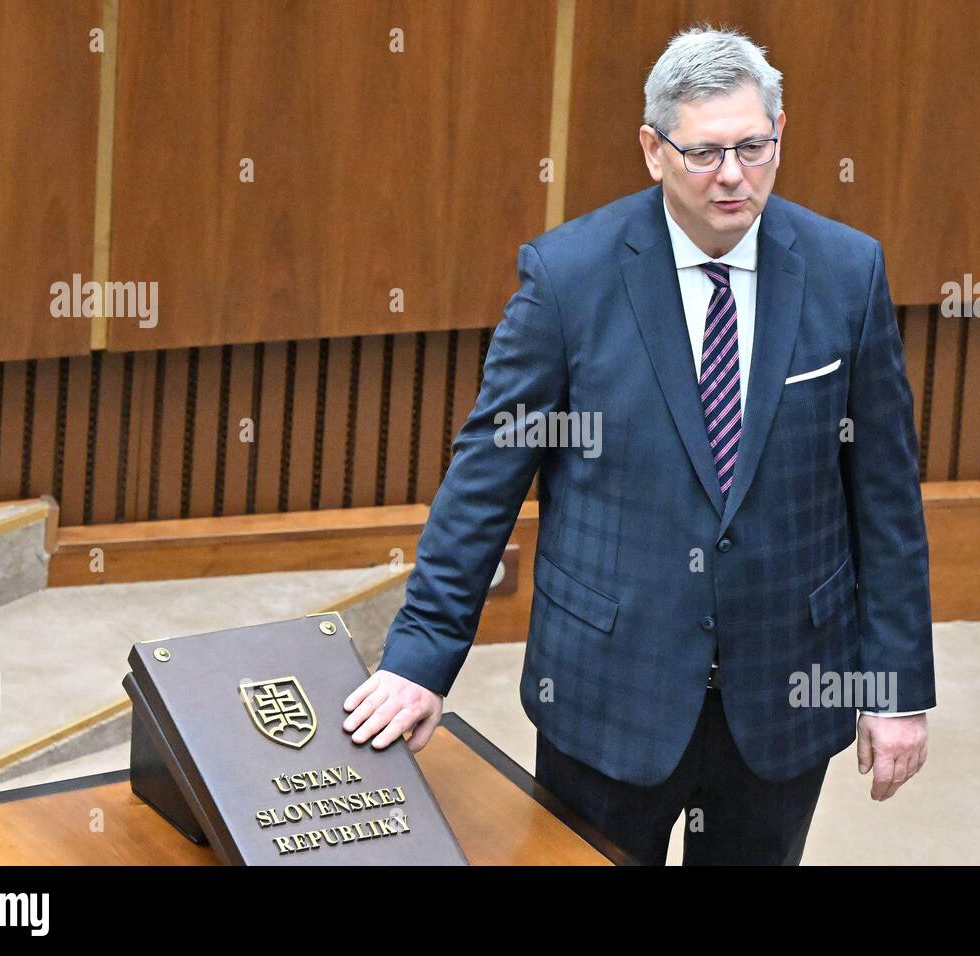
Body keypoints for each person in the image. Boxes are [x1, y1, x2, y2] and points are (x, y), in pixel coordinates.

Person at [343, 23, 935, 865]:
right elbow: (487, 479)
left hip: (783, 695)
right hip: (607, 693)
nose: (732, 176)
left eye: (753, 147)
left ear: (781, 134)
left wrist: (898, 687)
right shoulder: (568, 278)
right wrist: (421, 658)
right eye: (704, 154)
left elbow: (885, 496)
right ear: (653, 150)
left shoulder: (848, 271)